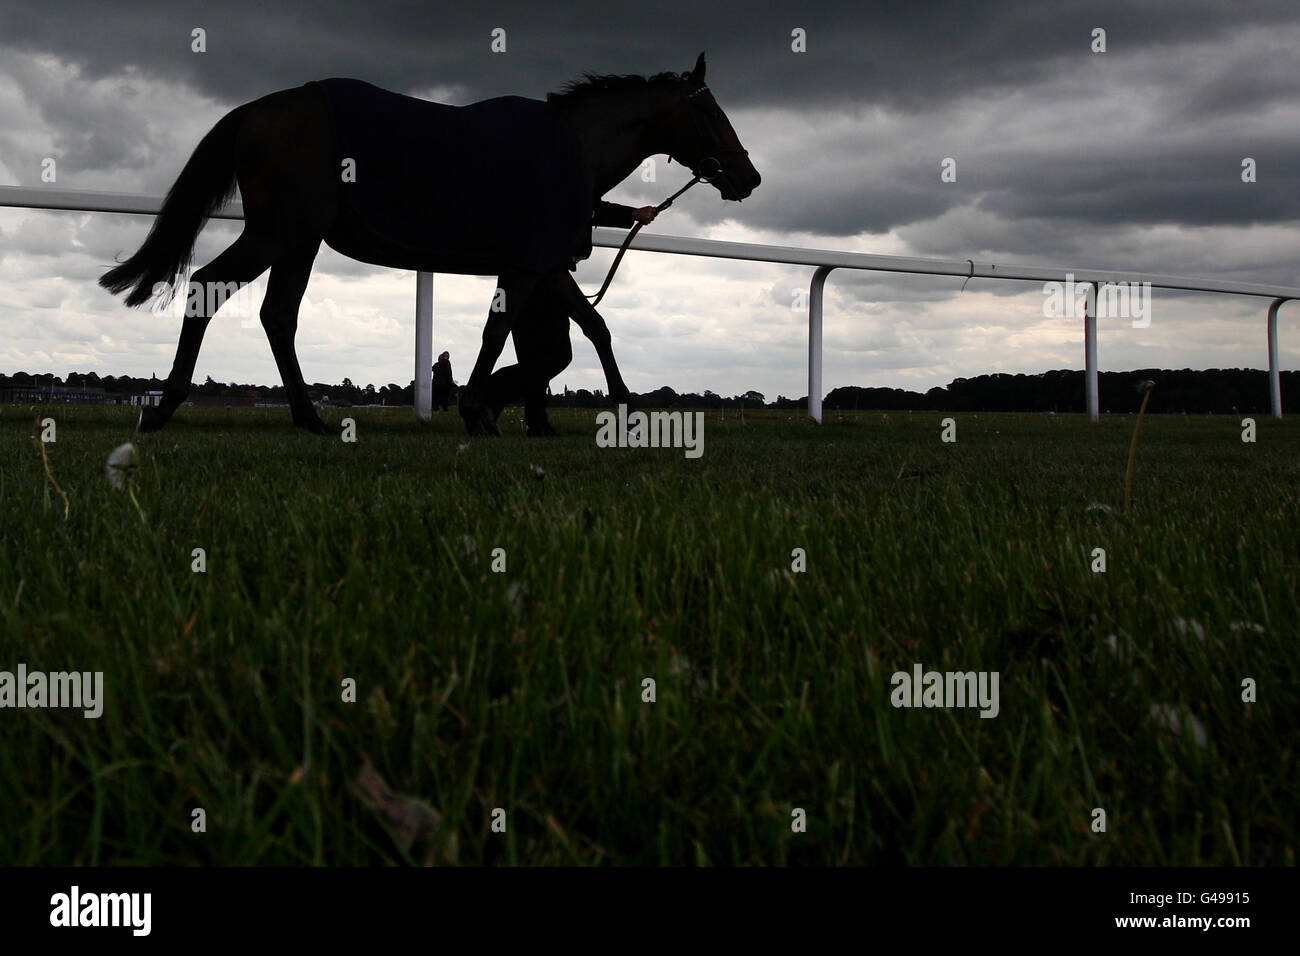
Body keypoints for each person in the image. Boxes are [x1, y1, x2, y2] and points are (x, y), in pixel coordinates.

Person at [481, 202, 656, 435]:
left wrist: (631, 214)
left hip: (539, 270)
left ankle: (511, 408)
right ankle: (495, 400)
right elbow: (581, 205)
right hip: (538, 272)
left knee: (553, 355)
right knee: (555, 352)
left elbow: (584, 206)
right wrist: (630, 214)